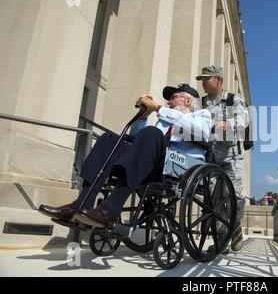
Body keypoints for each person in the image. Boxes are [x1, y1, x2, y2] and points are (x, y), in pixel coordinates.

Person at [38, 84, 212, 228]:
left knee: (152, 133)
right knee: (109, 139)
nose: (169, 101)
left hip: (179, 167)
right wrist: (143, 116)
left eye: (174, 97)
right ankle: (81, 203)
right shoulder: (164, 119)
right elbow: (137, 139)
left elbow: (200, 132)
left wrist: (159, 109)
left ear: (188, 100)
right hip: (149, 163)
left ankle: (113, 207)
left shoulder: (201, 116)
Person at [196, 65, 250, 252]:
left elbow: (243, 122)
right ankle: (221, 242)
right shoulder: (201, 103)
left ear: (218, 80)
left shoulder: (233, 100)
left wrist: (226, 123)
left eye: (206, 78)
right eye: (202, 79)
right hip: (210, 158)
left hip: (230, 156)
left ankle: (235, 226)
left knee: (233, 196)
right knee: (213, 198)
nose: (203, 82)